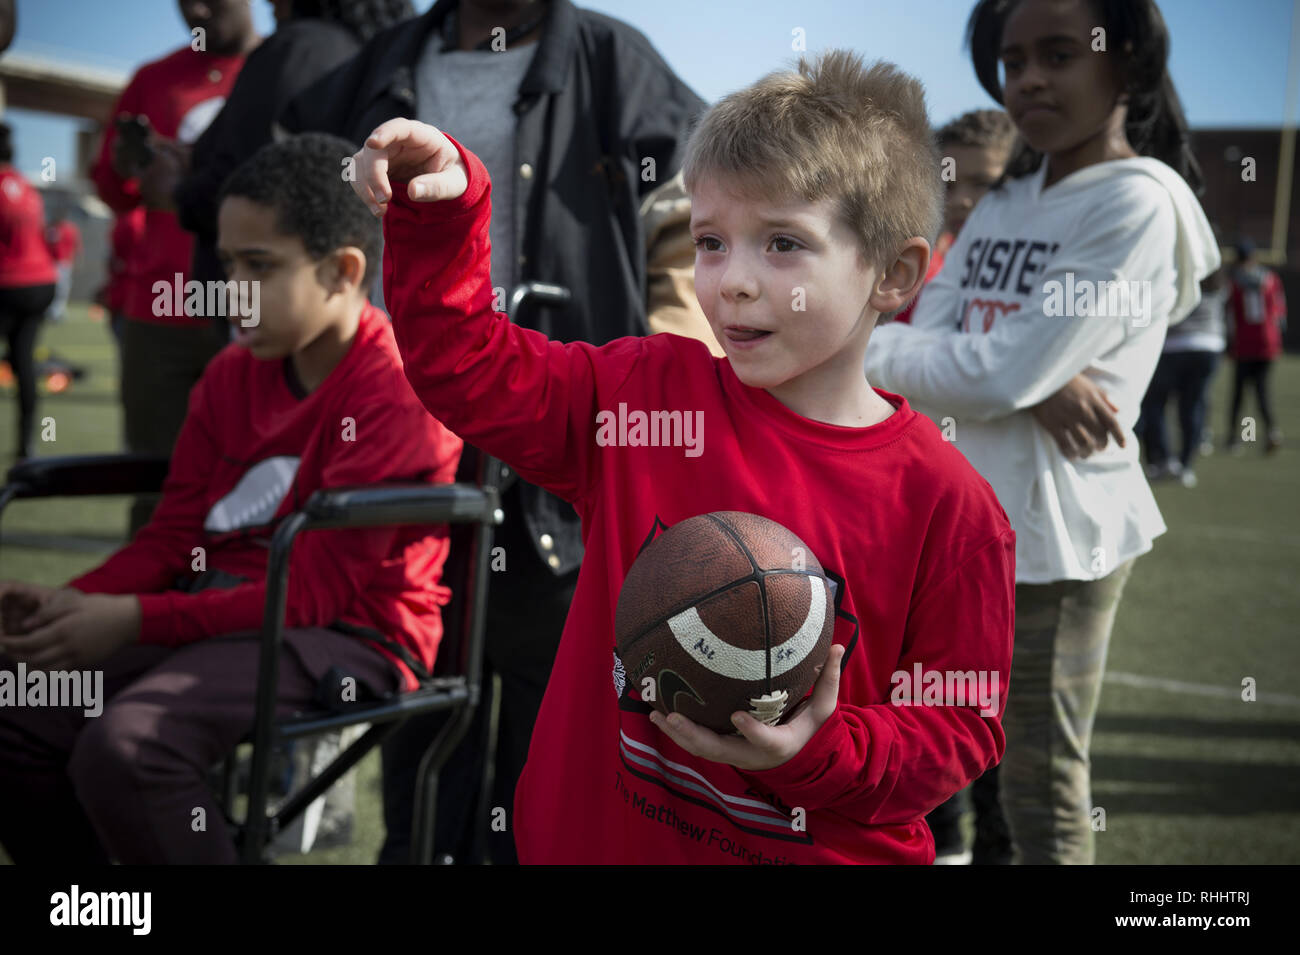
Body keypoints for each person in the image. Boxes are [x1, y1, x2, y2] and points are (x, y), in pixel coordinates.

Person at [351, 48, 1016, 864]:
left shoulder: (950, 504)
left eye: (782, 243)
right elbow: (468, 368)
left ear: (895, 273)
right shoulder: (642, 395)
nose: (731, 279)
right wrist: (441, 216)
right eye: (710, 241)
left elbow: (960, 724)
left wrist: (820, 748)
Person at [280, 0, 707, 864]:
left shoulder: (619, 64)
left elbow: (689, 229)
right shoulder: (374, 66)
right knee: (420, 709)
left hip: (563, 429)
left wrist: (666, 381)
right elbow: (287, 216)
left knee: (555, 717)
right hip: (403, 440)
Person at [0, 133, 463, 864]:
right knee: (16, 702)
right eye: (227, 263)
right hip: (217, 610)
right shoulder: (229, 372)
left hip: (350, 633)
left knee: (129, 747)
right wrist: (71, 608)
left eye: (259, 266)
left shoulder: (396, 386)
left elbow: (310, 593)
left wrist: (129, 620)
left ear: (343, 271)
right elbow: (171, 534)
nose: (231, 288)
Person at [865, 0, 1219, 864]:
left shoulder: (1139, 201)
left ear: (1125, 63)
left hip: (1056, 534)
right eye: (1011, 59)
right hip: (958, 517)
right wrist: (1029, 377)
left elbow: (984, 365)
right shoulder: (1012, 193)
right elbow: (942, 335)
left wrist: (1016, 373)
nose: (1028, 79)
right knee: (938, 752)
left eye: (1058, 55)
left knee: (1041, 787)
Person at [91, 0, 259, 538]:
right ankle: (139, 609)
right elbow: (114, 192)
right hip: (159, 310)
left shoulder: (281, 66)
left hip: (253, 310)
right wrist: (122, 169)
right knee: (155, 481)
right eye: (185, 3)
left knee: (256, 478)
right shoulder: (154, 77)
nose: (198, 11)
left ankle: (236, 603)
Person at [175, 0, 414, 293]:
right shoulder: (375, 57)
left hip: (270, 297)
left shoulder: (297, 47)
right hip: (337, 291)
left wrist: (175, 189)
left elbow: (253, 181)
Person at [895, 108, 1016, 327]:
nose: (961, 200)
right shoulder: (917, 278)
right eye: (948, 186)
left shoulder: (1041, 274)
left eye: (983, 184)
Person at [0, 122, 57, 464]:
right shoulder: (26, 186)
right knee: (23, 361)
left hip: (10, 283)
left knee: (20, 359)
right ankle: (26, 445)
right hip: (40, 282)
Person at [1139, 268, 1227, 486]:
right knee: (1193, 406)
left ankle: (1163, 459)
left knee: (1156, 403)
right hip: (1209, 345)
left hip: (1174, 345)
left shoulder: (1177, 274)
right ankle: (1185, 465)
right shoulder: (1219, 283)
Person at [1224, 238, 1286, 455]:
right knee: (1261, 391)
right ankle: (1270, 432)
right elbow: (1280, 313)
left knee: (1241, 394)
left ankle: (1237, 438)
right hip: (1268, 343)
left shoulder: (1236, 283)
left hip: (1246, 344)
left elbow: (1233, 317)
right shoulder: (1271, 279)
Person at [43, 208, 81, 324]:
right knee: (57, 288)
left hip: (63, 263)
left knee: (62, 288)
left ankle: (58, 310)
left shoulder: (66, 229)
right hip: (54, 262)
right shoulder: (54, 228)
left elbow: (76, 246)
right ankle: (53, 310)